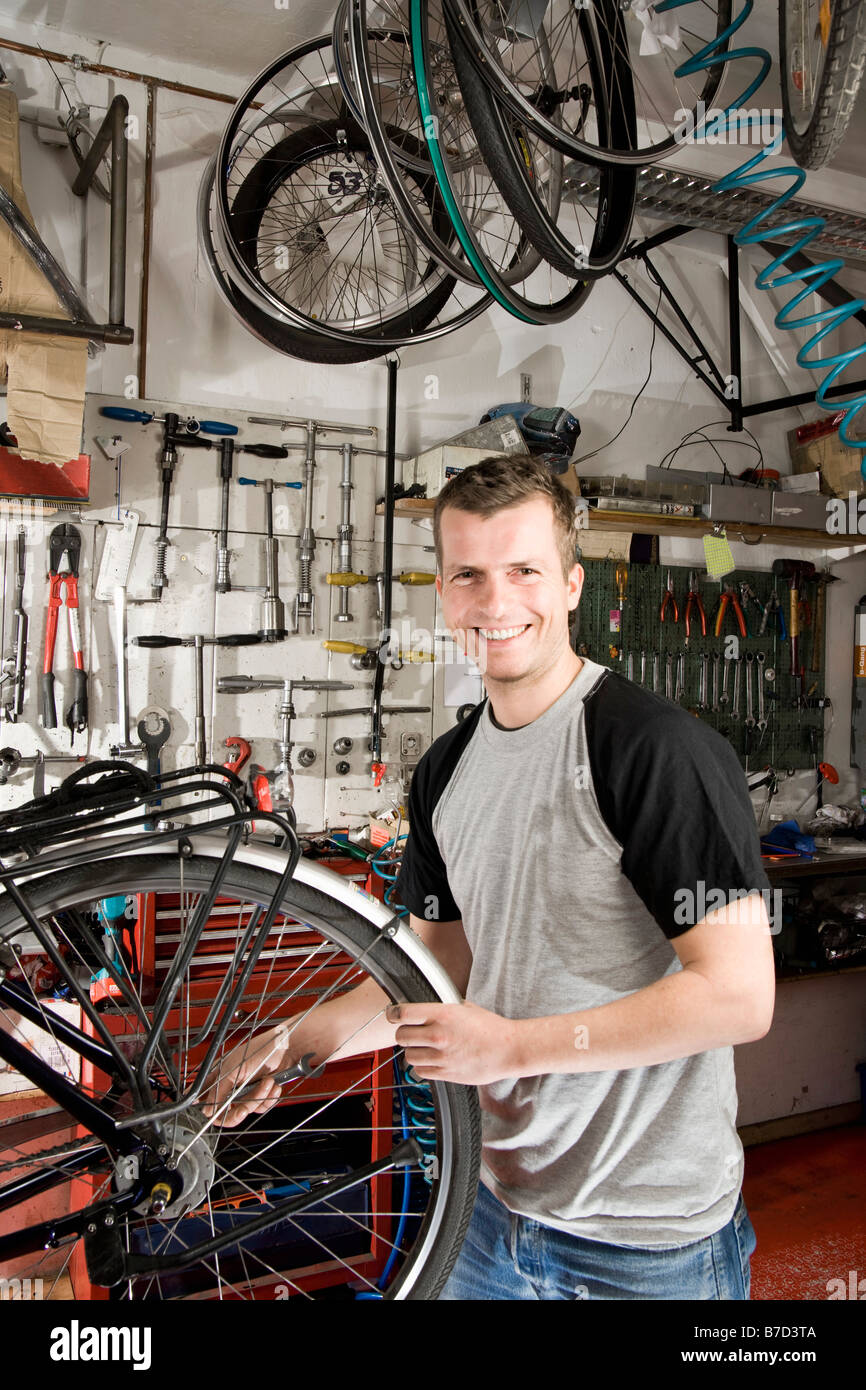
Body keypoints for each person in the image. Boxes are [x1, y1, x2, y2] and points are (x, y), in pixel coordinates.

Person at [204, 454, 775, 1301]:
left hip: (646, 1245)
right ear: (443, 594)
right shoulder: (444, 771)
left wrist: (512, 1046)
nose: (497, 602)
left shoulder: (655, 752)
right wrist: (294, 1044)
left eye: (524, 571)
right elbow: (435, 976)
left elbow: (738, 998)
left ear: (574, 585)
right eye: (470, 574)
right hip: (489, 1215)